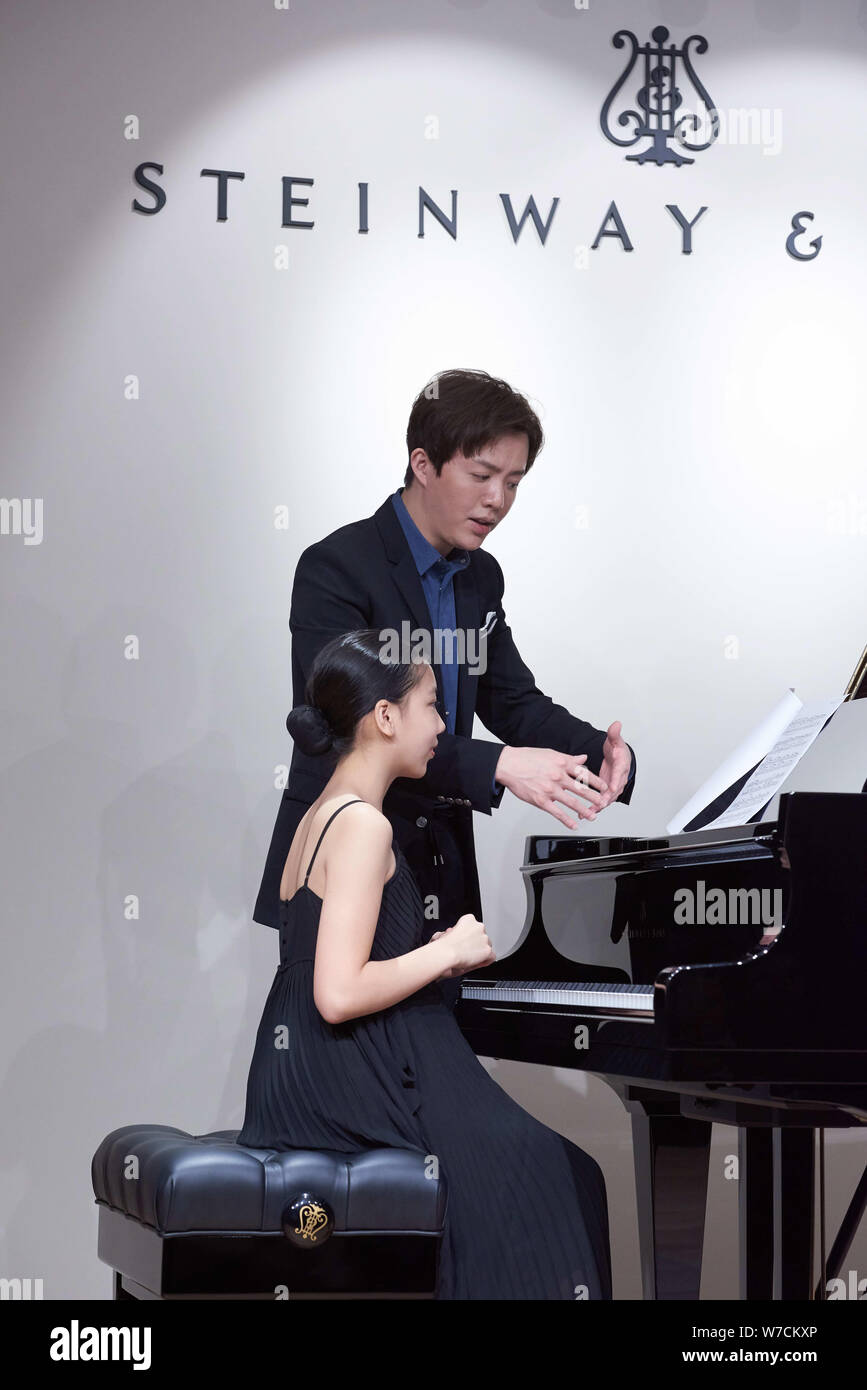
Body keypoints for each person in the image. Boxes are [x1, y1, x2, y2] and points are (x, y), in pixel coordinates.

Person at [237, 629, 613, 1300]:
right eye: (432, 705)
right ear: (385, 717)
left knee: (549, 1170)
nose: (442, 725)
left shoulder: (318, 815)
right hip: (349, 1079)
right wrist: (446, 950)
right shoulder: (362, 825)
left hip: (306, 1072)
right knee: (559, 1174)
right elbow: (336, 992)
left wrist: (427, 960)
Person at [253, 369, 636, 1006]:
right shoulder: (336, 568)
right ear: (423, 465)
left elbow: (511, 699)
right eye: (482, 476)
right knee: (359, 1071)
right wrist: (502, 765)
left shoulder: (480, 577)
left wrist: (600, 751)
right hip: (346, 857)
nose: (498, 500)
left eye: (514, 482)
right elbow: (348, 730)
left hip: (440, 861)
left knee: (438, 1064)